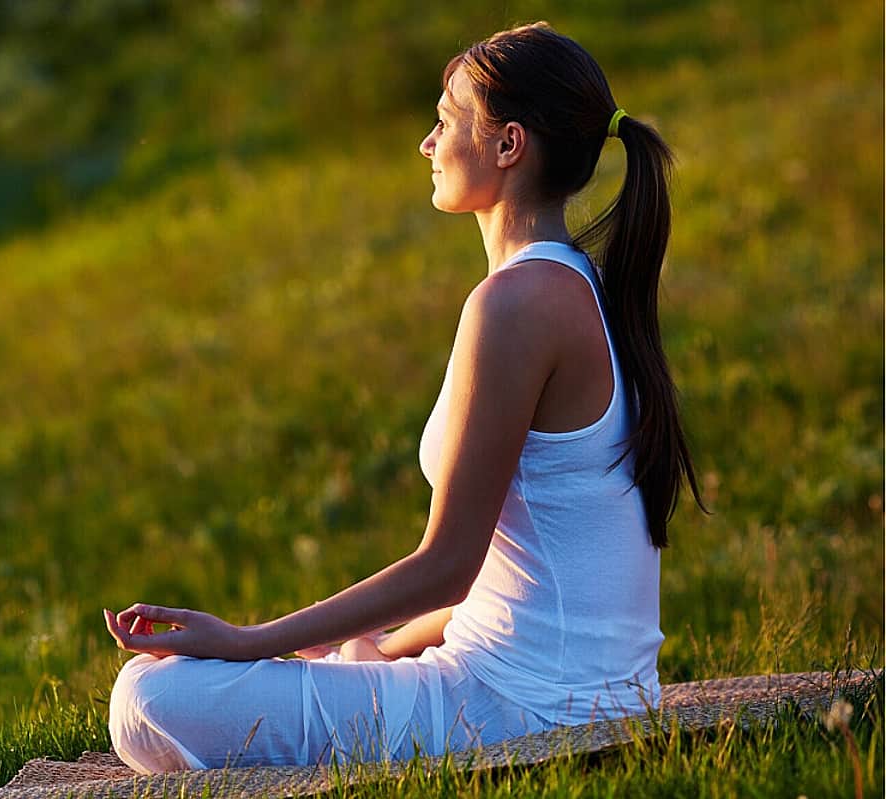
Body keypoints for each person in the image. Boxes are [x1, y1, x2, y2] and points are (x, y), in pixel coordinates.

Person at [102, 21, 704, 774]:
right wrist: (380, 645)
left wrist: (250, 638)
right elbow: (515, 573)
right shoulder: (575, 286)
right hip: (560, 692)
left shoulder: (517, 306)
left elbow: (448, 562)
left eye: (446, 120)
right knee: (219, 676)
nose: (427, 143)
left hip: (522, 712)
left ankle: (356, 674)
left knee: (146, 698)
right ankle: (365, 664)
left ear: (507, 144)